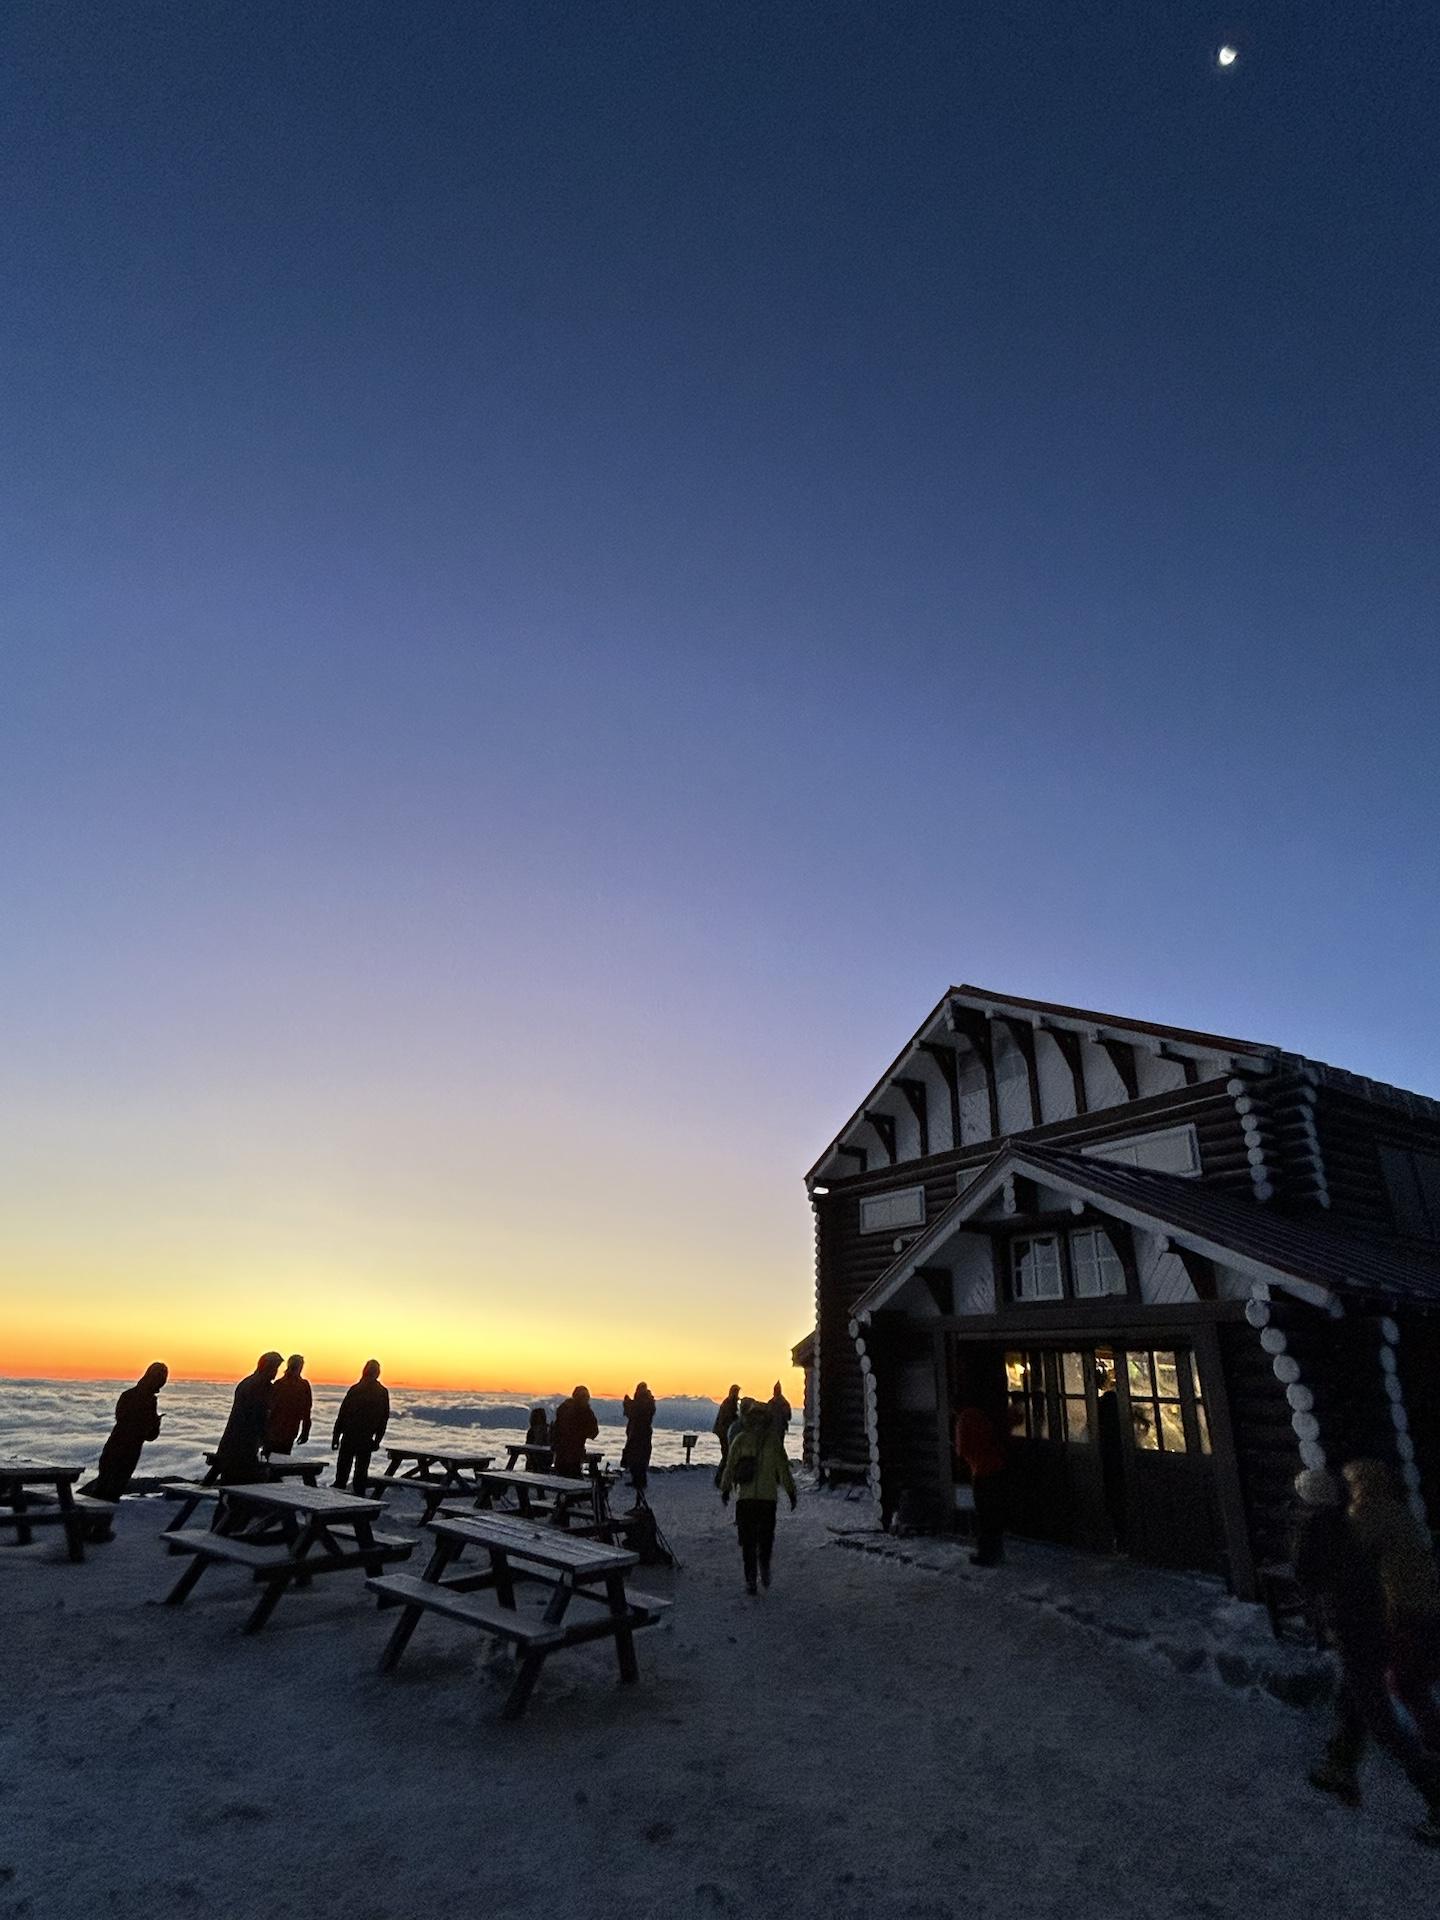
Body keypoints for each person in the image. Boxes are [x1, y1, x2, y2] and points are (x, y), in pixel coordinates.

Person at [1293, 1466, 1440, 1845]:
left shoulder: (1325, 1528)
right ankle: (1339, 1766)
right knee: (1353, 1699)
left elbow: (1307, 1575)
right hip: (1374, 1626)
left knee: (1382, 1720)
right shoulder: (1350, 1523)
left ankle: (1435, 1794)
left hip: (1358, 1632)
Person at [1344, 1458, 1440, 1752]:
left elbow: (1353, 1558)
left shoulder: (1365, 1514)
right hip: (1425, 1599)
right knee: (1414, 1667)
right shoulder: (1397, 1510)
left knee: (1404, 1676)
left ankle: (1429, 1736)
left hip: (1400, 1604)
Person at [720, 1399, 797, 1594]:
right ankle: (763, 1567)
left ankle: (751, 1578)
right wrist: (790, 1491)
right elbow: (783, 1470)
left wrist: (726, 1489)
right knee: (765, 1538)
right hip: (767, 1499)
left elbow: (730, 1467)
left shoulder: (741, 1439)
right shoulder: (773, 1441)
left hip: (745, 1498)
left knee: (748, 1541)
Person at [84, 1363, 169, 1515]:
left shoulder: (128, 1394)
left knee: (101, 1488)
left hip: (112, 1447)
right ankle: (99, 1528)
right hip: (128, 1452)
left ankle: (88, 1526)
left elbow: (121, 1420)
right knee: (112, 1492)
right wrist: (155, 1424)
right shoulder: (149, 1401)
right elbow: (148, 1435)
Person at [213, 1352, 282, 1483]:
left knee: (231, 1482)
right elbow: (258, 1417)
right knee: (243, 1483)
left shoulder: (248, 1382)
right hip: (243, 1445)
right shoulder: (260, 1386)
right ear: (266, 1367)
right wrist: (266, 1440)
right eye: (274, 1368)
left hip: (235, 1443)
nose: (275, 1372)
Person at [954, 1398, 1008, 1567]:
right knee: (994, 1513)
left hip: (982, 1470)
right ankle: (998, 1552)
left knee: (984, 1514)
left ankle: (986, 1555)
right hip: (997, 1466)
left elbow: (962, 1448)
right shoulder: (981, 1416)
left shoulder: (963, 1420)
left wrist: (958, 1453)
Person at [331, 1360, 389, 1494]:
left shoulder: (360, 1390)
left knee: (353, 1473)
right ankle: (351, 1497)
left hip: (358, 1437)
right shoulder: (366, 1391)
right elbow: (343, 1414)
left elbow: (383, 1418)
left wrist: (336, 1436)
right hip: (357, 1437)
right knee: (352, 1473)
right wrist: (377, 1440)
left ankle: (352, 1499)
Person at [265, 1354, 313, 1457]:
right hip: (283, 1432)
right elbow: (306, 1412)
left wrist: (305, 1431)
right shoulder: (302, 1386)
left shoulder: (279, 1384)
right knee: (280, 1461)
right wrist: (305, 1432)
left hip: (277, 1432)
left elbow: (268, 1410)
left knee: (271, 1461)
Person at [551, 1385, 600, 1477]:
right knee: (572, 1480)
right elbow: (594, 1432)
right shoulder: (585, 1412)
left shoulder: (564, 1408)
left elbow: (556, 1428)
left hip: (561, 1452)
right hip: (574, 1453)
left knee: (562, 1478)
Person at [621, 1381, 657, 1507]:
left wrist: (627, 1403)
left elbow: (634, 1413)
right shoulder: (646, 1402)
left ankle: (639, 1481)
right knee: (636, 1457)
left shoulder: (645, 1403)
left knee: (638, 1457)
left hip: (639, 1434)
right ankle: (637, 1479)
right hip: (638, 1434)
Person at [713, 1384, 740, 1486]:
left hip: (725, 1432)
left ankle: (723, 1479)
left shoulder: (729, 1402)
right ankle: (720, 1479)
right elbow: (729, 1418)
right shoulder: (730, 1403)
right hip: (725, 1432)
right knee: (727, 1456)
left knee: (727, 1455)